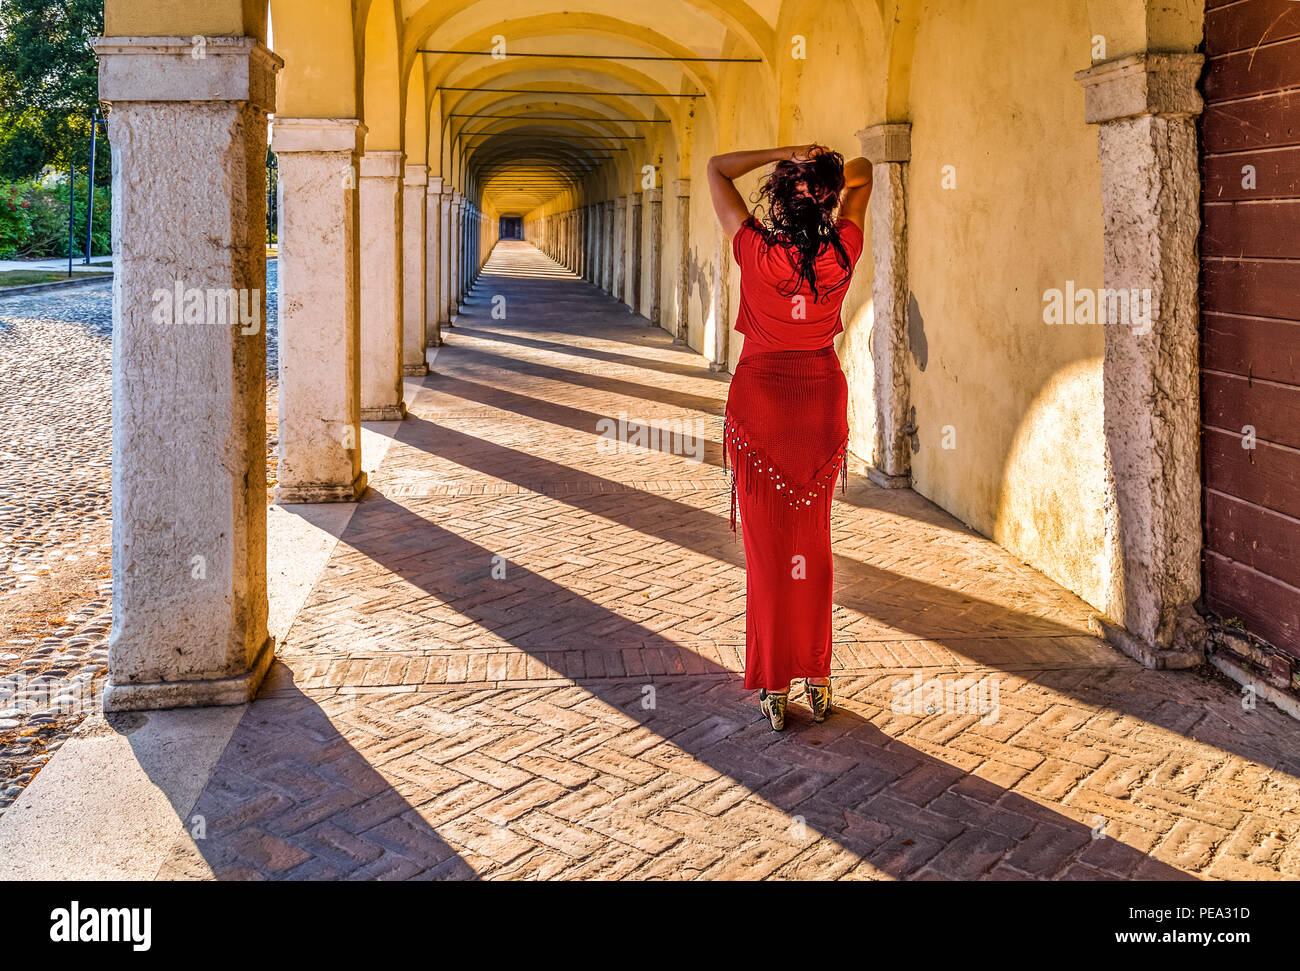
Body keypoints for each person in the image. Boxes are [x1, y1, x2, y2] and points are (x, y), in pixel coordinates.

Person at [706, 143, 872, 731]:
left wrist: (785, 153)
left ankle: (775, 683)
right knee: (813, 543)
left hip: (763, 402)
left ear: (777, 195)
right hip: (820, 398)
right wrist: (823, 172)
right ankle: (818, 677)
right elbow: (865, 172)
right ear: (828, 199)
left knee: (768, 553)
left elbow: (717, 169)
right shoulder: (844, 250)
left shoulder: (753, 250)